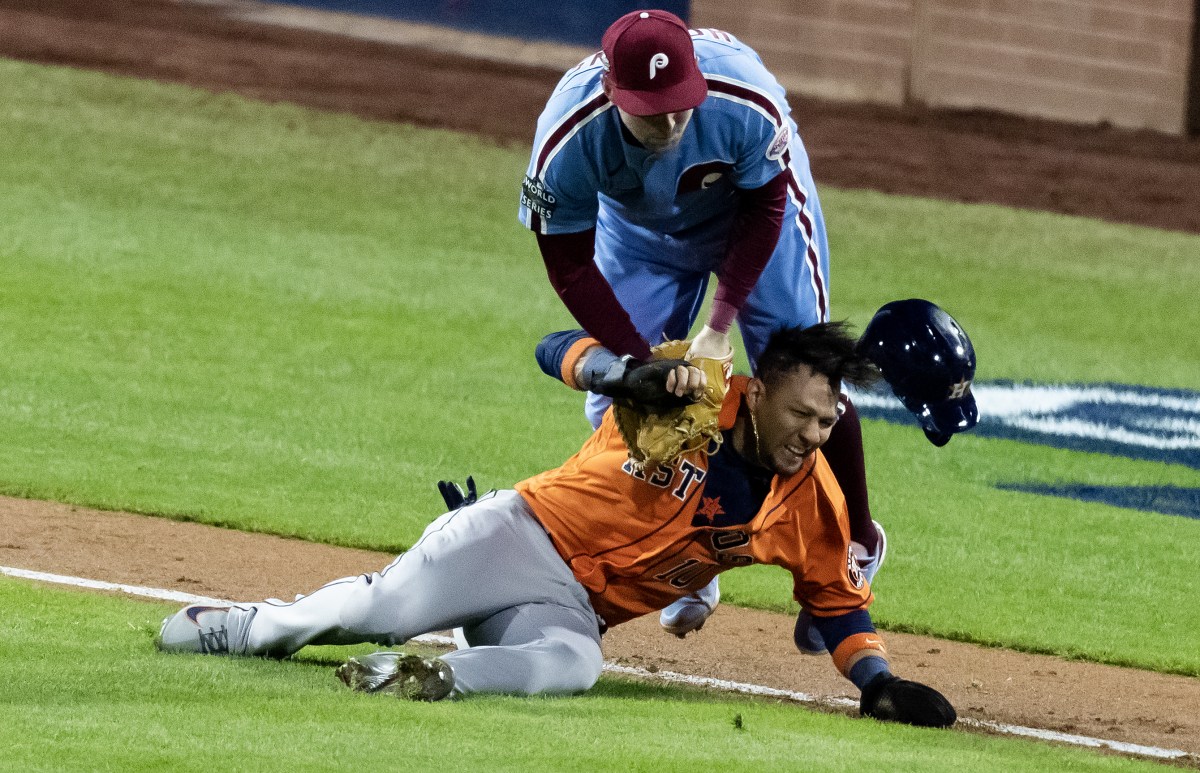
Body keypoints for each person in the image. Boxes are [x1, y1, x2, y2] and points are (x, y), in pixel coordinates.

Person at [156, 323, 956, 728]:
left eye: (828, 424)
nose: (814, 436)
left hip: (571, 606)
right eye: (804, 415)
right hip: (515, 534)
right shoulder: (690, 390)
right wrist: (620, 374)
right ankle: (246, 625)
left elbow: (837, 600)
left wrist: (877, 681)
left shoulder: (812, 497)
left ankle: (431, 676)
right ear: (765, 386)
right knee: (379, 611)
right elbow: (554, 346)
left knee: (572, 664)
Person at [518, 8, 883, 639]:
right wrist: (641, 364)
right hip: (639, 236)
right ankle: (687, 556)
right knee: (622, 404)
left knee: (810, 379)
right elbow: (571, 269)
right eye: (649, 109)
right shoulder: (567, 140)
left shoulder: (743, 97)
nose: (669, 121)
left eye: (680, 104)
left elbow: (768, 200)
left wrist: (722, 320)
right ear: (612, 93)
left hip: (748, 216)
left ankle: (854, 545)